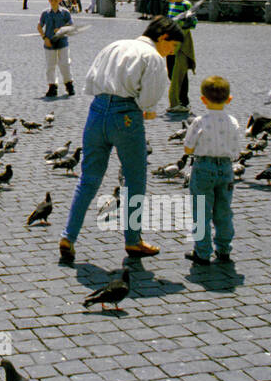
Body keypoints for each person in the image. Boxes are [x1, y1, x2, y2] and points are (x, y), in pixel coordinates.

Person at [57, 16, 183, 266]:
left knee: (89, 179)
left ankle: (68, 237)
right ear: (163, 37)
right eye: (173, 47)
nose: (172, 52)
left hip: (96, 111)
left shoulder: (114, 45)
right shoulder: (153, 57)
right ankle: (132, 239)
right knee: (135, 179)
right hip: (125, 116)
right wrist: (147, 109)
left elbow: (91, 79)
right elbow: (148, 100)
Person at [183, 75, 241, 265]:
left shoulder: (199, 121)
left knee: (201, 211)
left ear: (203, 99)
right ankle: (224, 249)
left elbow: (188, 148)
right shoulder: (233, 121)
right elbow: (236, 150)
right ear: (229, 99)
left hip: (203, 168)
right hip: (226, 168)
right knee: (223, 210)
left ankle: (202, 252)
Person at [163, 0, 197, 113]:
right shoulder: (171, 4)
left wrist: (179, 25)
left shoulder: (186, 5)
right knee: (171, 71)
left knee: (180, 72)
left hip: (182, 43)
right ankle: (179, 100)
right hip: (170, 43)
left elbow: (193, 23)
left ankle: (183, 101)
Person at [38, 0, 75, 98]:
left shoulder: (65, 13)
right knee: (50, 66)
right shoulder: (45, 13)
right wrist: (44, 38)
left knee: (65, 64)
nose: (53, 2)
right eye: (51, 0)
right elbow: (39, 26)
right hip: (49, 43)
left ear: (59, 0)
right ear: (49, 0)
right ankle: (52, 86)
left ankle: (69, 85)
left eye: (55, 0)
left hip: (62, 42)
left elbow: (71, 26)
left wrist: (61, 29)